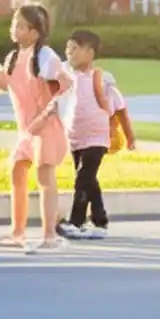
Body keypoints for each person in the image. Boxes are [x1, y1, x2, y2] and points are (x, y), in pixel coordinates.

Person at [0, 5, 73, 251]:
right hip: (26, 131)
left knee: (44, 177)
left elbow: (66, 85)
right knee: (18, 172)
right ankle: (17, 234)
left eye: (21, 26)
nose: (15, 29)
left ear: (35, 33)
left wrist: (44, 115)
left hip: (46, 128)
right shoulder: (12, 58)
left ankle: (50, 236)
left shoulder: (45, 57)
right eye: (14, 24)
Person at [57, 29, 112, 240]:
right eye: (67, 48)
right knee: (89, 180)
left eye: (74, 49)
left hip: (96, 137)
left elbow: (112, 104)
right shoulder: (67, 76)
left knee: (83, 179)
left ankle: (76, 221)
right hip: (76, 138)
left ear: (89, 53)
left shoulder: (100, 77)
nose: (69, 53)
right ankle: (100, 220)